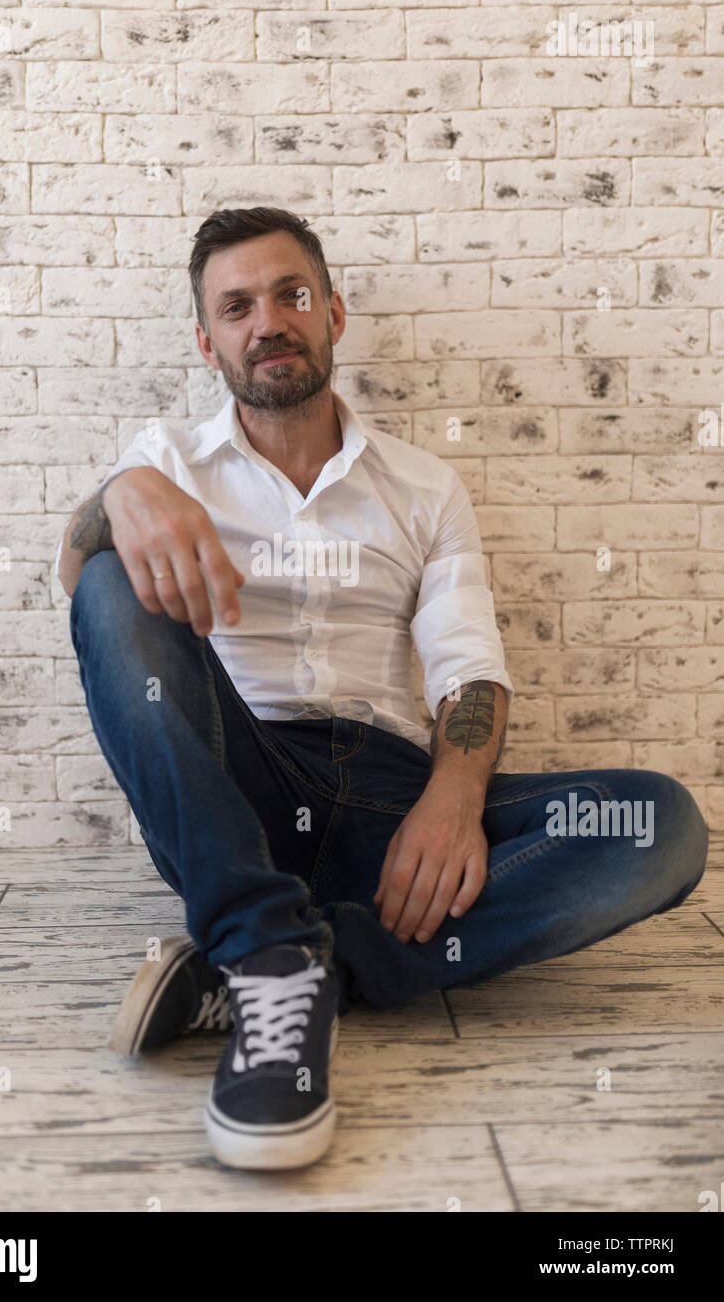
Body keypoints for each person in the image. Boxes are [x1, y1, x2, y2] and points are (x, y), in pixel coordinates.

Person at [54, 206, 708, 1172]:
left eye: (291, 294)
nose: (266, 321)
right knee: (113, 578)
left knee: (658, 826)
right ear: (206, 340)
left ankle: (275, 968)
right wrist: (116, 496)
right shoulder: (167, 464)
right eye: (236, 306)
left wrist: (455, 796)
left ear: (334, 313)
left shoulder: (424, 486)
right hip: (240, 786)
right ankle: (268, 939)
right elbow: (88, 607)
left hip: (397, 798)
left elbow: (468, 664)